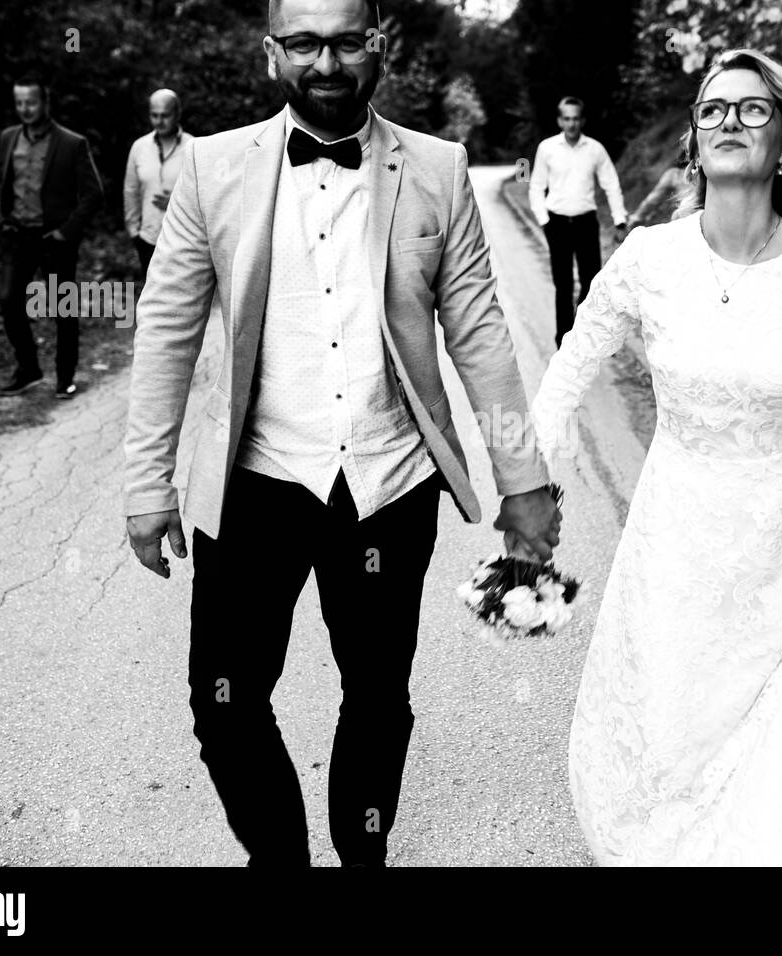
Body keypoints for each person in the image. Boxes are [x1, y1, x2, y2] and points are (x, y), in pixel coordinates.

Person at [122, 0, 560, 868]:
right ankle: (278, 858)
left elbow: (477, 331)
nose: (327, 63)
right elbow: (166, 330)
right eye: (304, 43)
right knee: (226, 701)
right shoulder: (212, 170)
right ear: (270, 53)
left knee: (378, 695)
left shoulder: (438, 168)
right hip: (256, 481)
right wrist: (146, 483)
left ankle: (365, 855)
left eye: (348, 41)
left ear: (379, 47)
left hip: (390, 486)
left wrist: (524, 480)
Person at [530, 48, 782, 865]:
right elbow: (574, 360)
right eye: (712, 109)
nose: (729, 121)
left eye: (753, 110)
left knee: (769, 768)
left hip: (776, 558)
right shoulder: (651, 258)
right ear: (693, 138)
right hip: (670, 544)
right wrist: (536, 472)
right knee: (665, 738)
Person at [0, 73, 104, 399]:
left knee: (62, 310)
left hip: (54, 239)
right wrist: (1, 218)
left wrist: (66, 232)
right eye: (19, 103)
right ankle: (28, 368)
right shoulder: (8, 137)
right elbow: (1, 180)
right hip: (18, 236)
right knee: (8, 300)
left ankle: (65, 377)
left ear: (45, 102)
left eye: (31, 102)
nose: (25, 109)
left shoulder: (71, 143)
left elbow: (93, 194)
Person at [528, 96, 628, 350]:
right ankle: (563, 337)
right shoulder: (547, 148)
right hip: (557, 223)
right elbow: (536, 186)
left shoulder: (595, 149)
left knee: (591, 280)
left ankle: (585, 334)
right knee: (562, 283)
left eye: (576, 118)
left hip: (585, 222)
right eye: (567, 118)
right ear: (560, 120)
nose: (571, 124)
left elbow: (611, 183)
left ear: (582, 120)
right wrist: (544, 220)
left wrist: (619, 219)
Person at [123, 88, 194, 276]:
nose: (159, 121)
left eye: (165, 115)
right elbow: (131, 190)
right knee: (150, 298)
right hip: (147, 238)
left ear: (177, 114)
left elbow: (204, 194)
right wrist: (133, 231)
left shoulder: (193, 147)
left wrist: (175, 201)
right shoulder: (139, 147)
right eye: (154, 115)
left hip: (183, 240)